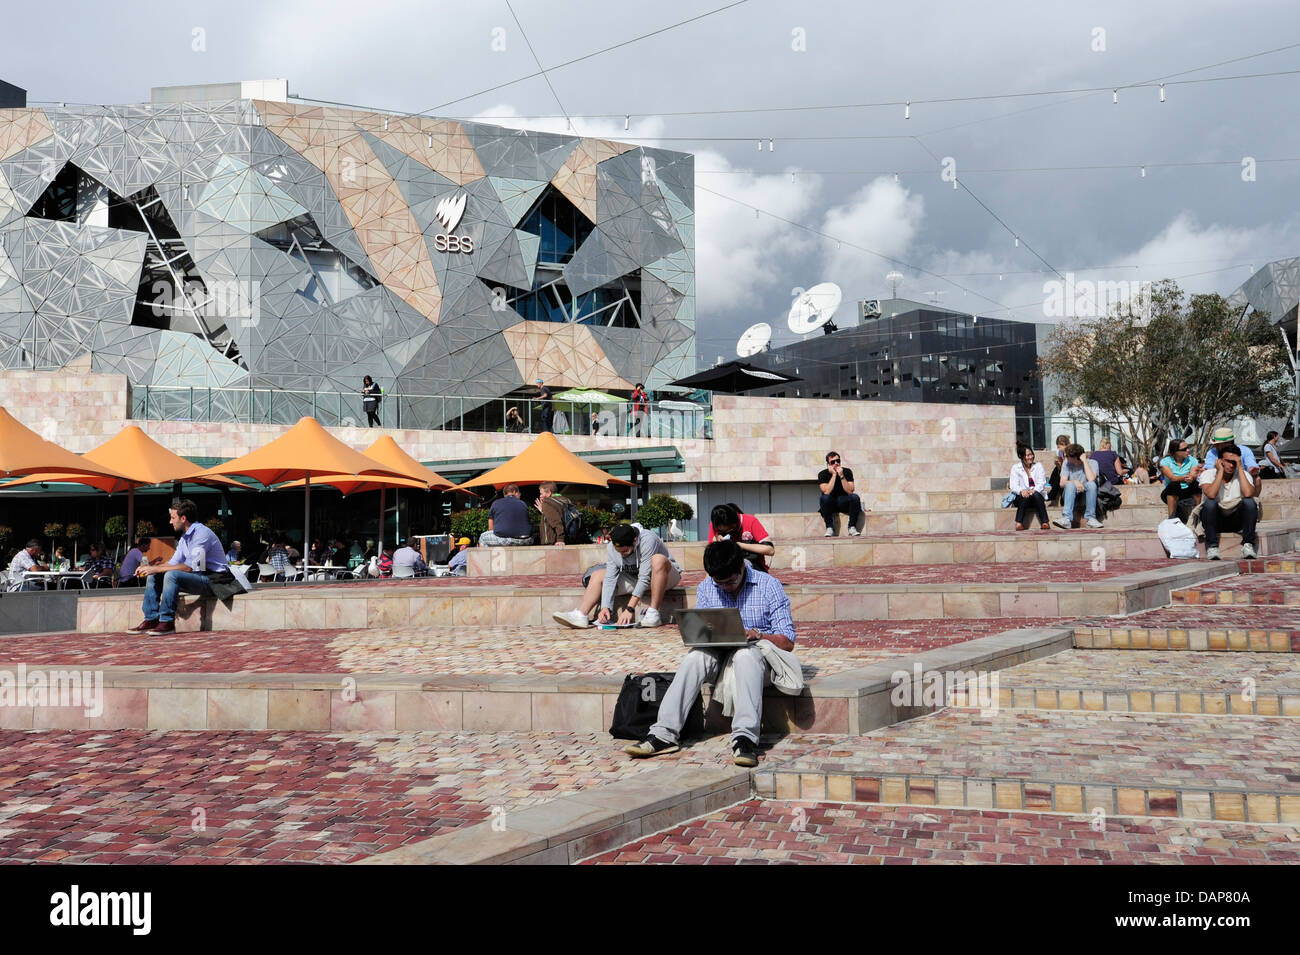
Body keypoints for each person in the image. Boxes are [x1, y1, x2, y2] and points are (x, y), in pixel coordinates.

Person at [623, 540, 798, 768]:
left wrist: (758, 635)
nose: (726, 587)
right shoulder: (707, 586)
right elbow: (705, 628)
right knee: (696, 657)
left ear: (742, 567)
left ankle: (745, 738)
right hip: (720, 658)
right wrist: (698, 633)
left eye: (731, 581)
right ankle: (663, 734)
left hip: (758, 662)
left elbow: (787, 641)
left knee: (745, 656)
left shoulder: (769, 586)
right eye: (720, 583)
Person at [127, 499, 239, 636]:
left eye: (173, 518)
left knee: (171, 575)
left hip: (214, 580)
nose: (170, 521)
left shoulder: (202, 534)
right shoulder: (184, 538)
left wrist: (156, 569)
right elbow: (173, 563)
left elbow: (190, 567)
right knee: (154, 575)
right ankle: (151, 619)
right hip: (198, 576)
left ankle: (167, 622)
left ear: (183, 518)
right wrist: (149, 568)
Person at [552, 523, 683, 629]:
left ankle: (653, 613)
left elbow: (644, 577)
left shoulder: (648, 539)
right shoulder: (611, 547)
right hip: (634, 578)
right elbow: (610, 577)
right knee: (598, 575)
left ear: (635, 541)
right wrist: (605, 606)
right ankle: (581, 615)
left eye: (625, 551)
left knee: (658, 560)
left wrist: (629, 609)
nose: (622, 555)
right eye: (618, 551)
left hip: (665, 576)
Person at [1198, 443, 1259, 560]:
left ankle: (1248, 544)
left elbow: (1248, 494)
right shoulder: (1208, 474)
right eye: (1227, 461)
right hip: (1214, 520)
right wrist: (1220, 471)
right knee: (1210, 503)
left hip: (1236, 520)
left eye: (1234, 462)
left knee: (1250, 502)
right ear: (1220, 461)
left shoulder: (1244, 475)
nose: (1231, 465)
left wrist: (1240, 468)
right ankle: (1212, 546)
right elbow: (1211, 494)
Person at [708, 503, 774, 571]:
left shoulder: (750, 521)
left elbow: (770, 550)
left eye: (731, 529)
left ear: (736, 520)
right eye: (723, 532)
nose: (729, 533)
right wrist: (716, 544)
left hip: (753, 566)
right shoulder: (715, 526)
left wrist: (738, 545)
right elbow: (710, 560)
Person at [1053, 443, 1103, 529]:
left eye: (1068, 456)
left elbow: (1091, 479)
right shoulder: (1066, 463)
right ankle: (1066, 519)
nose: (1065, 458)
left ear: (1077, 458)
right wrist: (1075, 482)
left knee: (1091, 484)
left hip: (1086, 496)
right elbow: (1062, 483)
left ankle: (1091, 519)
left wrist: (1084, 461)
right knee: (1070, 484)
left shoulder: (1093, 463)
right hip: (1070, 494)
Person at [817, 450, 862, 537]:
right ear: (828, 464)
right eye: (833, 462)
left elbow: (850, 490)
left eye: (838, 461)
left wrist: (841, 476)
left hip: (843, 501)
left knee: (855, 497)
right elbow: (826, 491)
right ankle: (829, 527)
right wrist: (834, 475)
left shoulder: (847, 472)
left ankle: (852, 527)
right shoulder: (823, 474)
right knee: (824, 498)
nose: (836, 463)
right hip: (830, 503)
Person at [1009, 443, 1050, 530]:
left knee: (1035, 495)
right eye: (1027, 455)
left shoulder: (1038, 466)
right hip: (1022, 497)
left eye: (1031, 454)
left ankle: (1045, 522)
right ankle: (1019, 523)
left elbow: (1042, 482)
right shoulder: (1016, 468)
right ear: (1021, 456)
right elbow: (1013, 485)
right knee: (1024, 496)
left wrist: (1034, 490)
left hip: (1036, 497)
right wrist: (1022, 491)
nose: (1030, 457)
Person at [1159, 439, 1202, 519]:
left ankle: (1198, 515)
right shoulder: (1165, 462)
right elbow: (1172, 478)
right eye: (1184, 449)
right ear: (1175, 451)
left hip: (1187, 490)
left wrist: (1191, 477)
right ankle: (1172, 518)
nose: (1188, 450)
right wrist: (1185, 478)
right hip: (1171, 491)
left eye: (1188, 447)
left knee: (1196, 484)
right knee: (1173, 485)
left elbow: (1192, 474)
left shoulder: (1192, 460)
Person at [536, 481, 572, 547]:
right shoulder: (565, 500)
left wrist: (560, 539)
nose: (540, 496)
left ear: (549, 493)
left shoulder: (547, 503)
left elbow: (556, 522)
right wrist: (544, 512)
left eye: (541, 493)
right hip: (569, 539)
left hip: (553, 542)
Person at [1046, 434, 1071, 504]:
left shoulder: (1071, 451)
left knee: (1059, 475)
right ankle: (1051, 486)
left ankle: (1052, 494)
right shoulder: (1060, 452)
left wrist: (1062, 464)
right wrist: (1058, 464)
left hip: (1070, 471)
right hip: (1063, 470)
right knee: (1057, 470)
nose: (1058, 448)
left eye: (1059, 447)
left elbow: (1070, 465)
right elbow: (1062, 466)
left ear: (1064, 445)